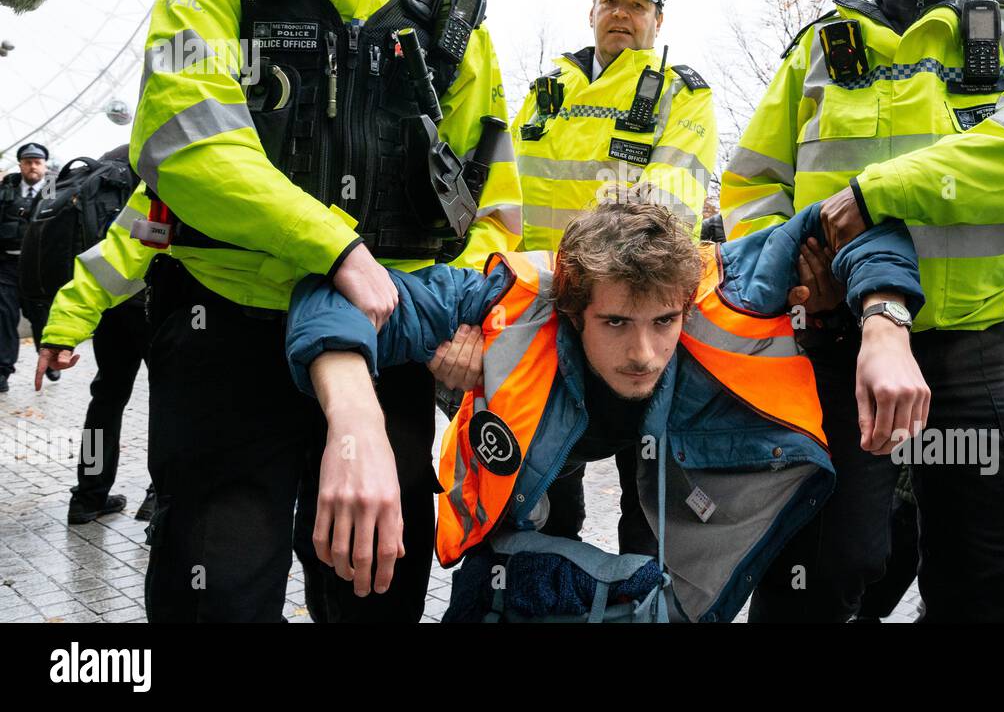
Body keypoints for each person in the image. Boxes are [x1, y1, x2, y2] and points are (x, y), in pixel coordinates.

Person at [127, 0, 521, 622]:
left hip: (393, 342)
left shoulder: (451, 17)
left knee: (380, 592)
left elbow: (493, 210)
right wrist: (337, 249)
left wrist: (469, 317)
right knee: (216, 591)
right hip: (230, 333)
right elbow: (186, 144)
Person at [720, 0, 1004, 622]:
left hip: (974, 349)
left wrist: (874, 193)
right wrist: (786, 261)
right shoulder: (817, 49)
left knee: (1001, 565)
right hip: (836, 345)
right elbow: (750, 183)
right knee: (818, 565)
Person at [284, 194, 925, 622]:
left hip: (675, 470)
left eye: (663, 323)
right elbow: (329, 296)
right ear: (572, 305)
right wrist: (357, 423)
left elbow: (857, 218)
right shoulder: (509, 295)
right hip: (522, 487)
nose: (643, 353)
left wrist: (886, 324)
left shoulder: (723, 282)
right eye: (615, 322)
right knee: (497, 587)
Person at [507, 0, 716, 556]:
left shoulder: (681, 94)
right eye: (609, 2)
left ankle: (640, 599)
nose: (620, 14)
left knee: (647, 496)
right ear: (591, 12)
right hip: (543, 311)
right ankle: (548, 590)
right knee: (545, 487)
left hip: (633, 318)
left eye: (637, 5)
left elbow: (672, 203)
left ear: (658, 22)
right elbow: (507, 189)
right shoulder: (548, 89)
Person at [35, 148, 161, 524]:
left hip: (109, 304)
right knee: (167, 401)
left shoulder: (104, 166)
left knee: (105, 401)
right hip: (158, 304)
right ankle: (157, 497)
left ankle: (88, 497)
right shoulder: (160, 159)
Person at [1, 142, 54, 393]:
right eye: (28, 161)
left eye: (38, 162)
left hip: (38, 268)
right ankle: (2, 371)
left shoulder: (54, 188)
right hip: (7, 265)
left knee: (41, 317)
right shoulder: (6, 188)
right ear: (20, 164)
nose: (33, 166)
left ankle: (50, 359)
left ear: (44, 165)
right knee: (4, 318)